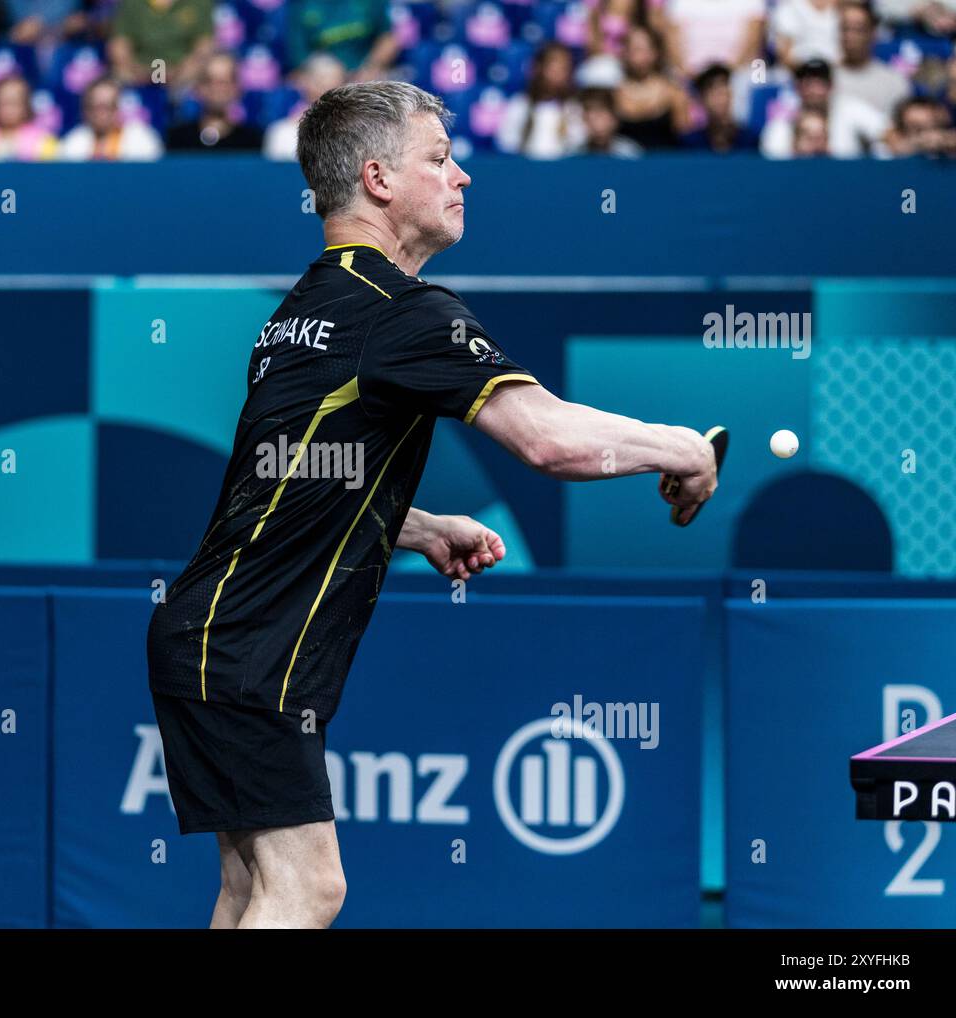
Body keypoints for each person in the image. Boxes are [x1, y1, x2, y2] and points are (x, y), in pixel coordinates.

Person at [145, 80, 718, 929]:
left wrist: (412, 526)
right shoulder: (401, 313)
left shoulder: (303, 310)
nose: (464, 179)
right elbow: (547, 439)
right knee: (307, 887)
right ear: (378, 179)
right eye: (441, 160)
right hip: (252, 650)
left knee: (251, 890)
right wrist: (683, 448)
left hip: (217, 638)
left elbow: (287, 479)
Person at [760, 56, 887, 157]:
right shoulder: (782, 122)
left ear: (831, 86)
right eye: (808, 83)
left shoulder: (850, 108)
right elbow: (773, 165)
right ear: (797, 87)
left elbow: (888, 133)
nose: (814, 89)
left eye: (820, 83)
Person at [494, 42, 587, 159]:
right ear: (538, 68)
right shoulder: (520, 105)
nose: (559, 74)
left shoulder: (572, 108)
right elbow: (506, 143)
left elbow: (579, 143)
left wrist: (566, 133)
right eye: (554, 68)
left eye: (564, 69)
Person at [614, 23, 693, 149]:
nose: (642, 55)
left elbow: (685, 137)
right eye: (636, 49)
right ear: (625, 53)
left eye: (647, 49)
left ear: (656, 53)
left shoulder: (674, 93)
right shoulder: (614, 95)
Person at [165, 52, 263, 151]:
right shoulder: (178, 139)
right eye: (209, 81)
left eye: (224, 82)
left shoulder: (251, 142)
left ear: (236, 88)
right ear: (198, 88)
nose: (217, 89)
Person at [264, 53, 348, 161]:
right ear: (303, 82)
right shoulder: (283, 133)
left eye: (337, 82)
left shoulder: (355, 131)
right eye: (319, 81)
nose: (327, 86)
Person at [834, 1, 912, 118]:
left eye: (857, 29)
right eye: (845, 29)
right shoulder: (825, 79)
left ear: (873, 33)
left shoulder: (894, 82)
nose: (849, 36)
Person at [60, 77, 165, 160]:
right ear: (85, 110)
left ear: (119, 107)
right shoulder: (74, 142)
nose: (102, 114)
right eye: (95, 107)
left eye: (108, 106)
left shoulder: (141, 138)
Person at [681, 63, 760, 151]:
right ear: (702, 99)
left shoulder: (750, 140)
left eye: (724, 89)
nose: (720, 99)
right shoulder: (690, 143)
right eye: (713, 92)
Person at [570, 85, 644, 155]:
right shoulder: (575, 154)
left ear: (614, 118)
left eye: (600, 114)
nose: (597, 123)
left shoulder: (630, 153)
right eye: (589, 116)